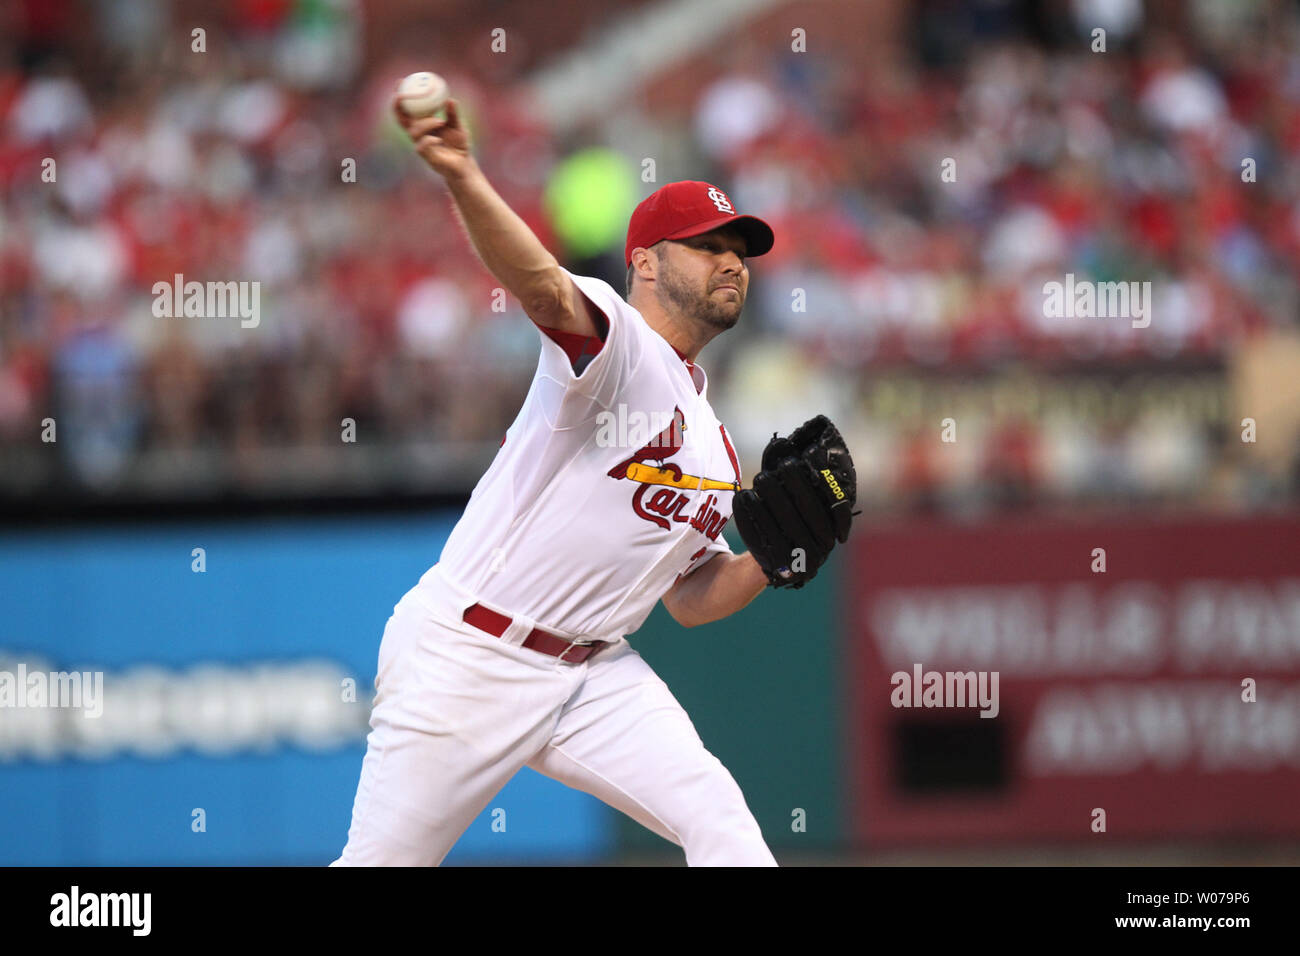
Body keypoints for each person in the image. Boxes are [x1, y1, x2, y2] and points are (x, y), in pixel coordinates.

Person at [331, 94, 782, 866]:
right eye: (707, 245)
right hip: (467, 656)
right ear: (645, 261)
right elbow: (541, 286)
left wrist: (777, 560)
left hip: (594, 674)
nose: (731, 260)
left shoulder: (716, 445)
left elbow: (690, 601)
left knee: (723, 825)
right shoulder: (620, 346)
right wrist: (465, 175)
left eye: (739, 248)